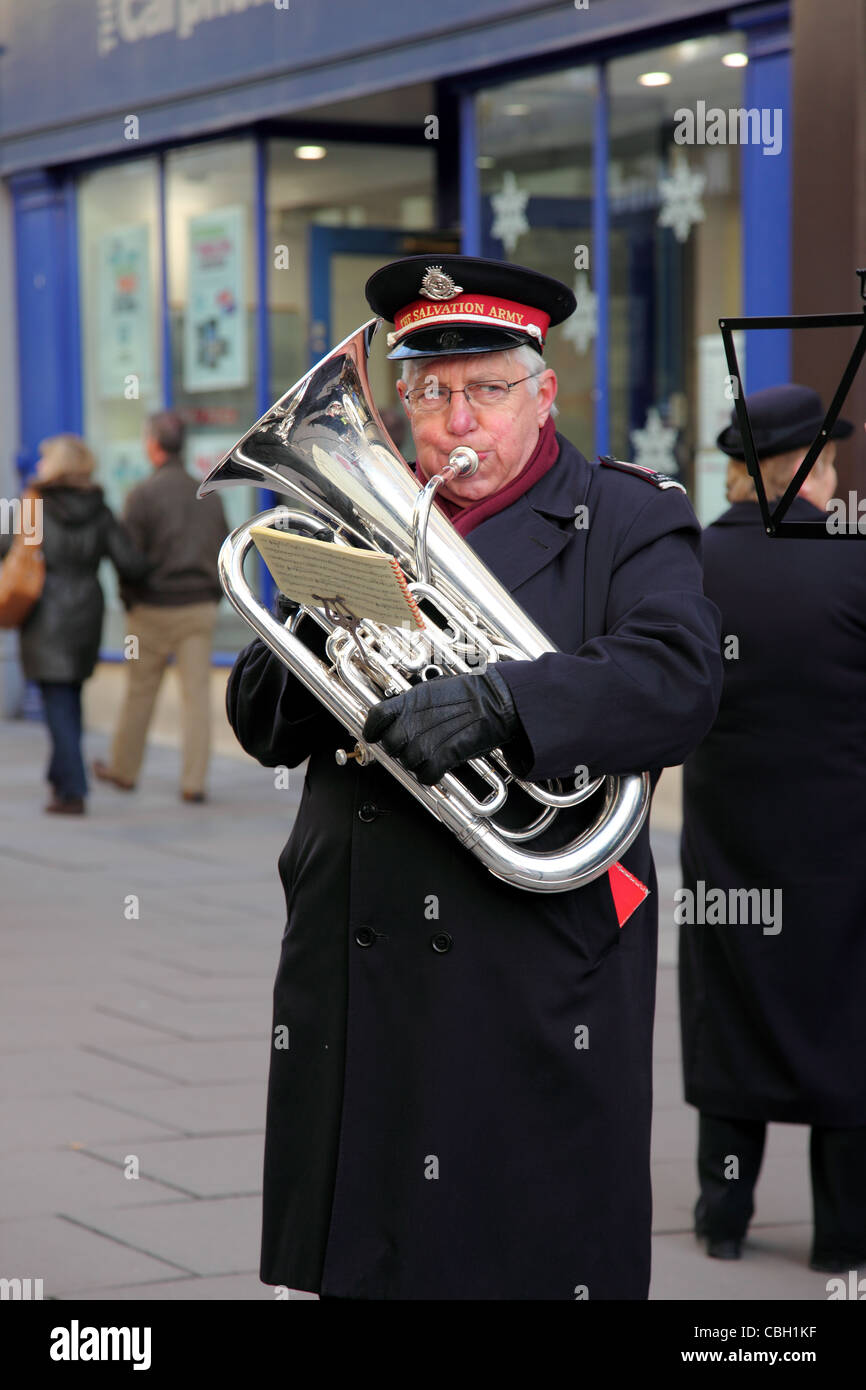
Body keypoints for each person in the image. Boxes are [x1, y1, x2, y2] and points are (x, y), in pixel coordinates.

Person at [225, 254, 723, 1300]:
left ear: (544, 393)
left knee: (518, 1245)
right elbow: (263, 728)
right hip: (355, 947)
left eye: (487, 388)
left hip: (523, 959)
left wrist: (507, 702)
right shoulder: (352, 516)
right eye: (429, 391)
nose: (456, 420)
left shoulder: (627, 518)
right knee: (363, 1249)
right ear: (401, 400)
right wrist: (321, 630)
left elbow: (676, 679)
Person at [679, 383, 866, 1272]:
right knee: (846, 1030)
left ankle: (722, 1217)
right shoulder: (855, 560)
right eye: (832, 464)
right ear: (804, 471)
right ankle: (843, 1238)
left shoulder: (693, 560)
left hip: (726, 847)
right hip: (844, 854)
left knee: (732, 1021)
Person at [0, 435, 150, 814]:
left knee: (58, 701)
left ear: (58, 465)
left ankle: (73, 790)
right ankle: (59, 778)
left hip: (45, 609)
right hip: (85, 609)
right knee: (68, 699)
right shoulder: (99, 508)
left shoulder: (33, 505)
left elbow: (8, 547)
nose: (37, 466)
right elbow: (130, 563)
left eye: (43, 459)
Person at [93, 410, 228, 803]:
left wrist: (130, 600)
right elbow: (223, 547)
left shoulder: (142, 494)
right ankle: (194, 782)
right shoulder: (207, 493)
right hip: (198, 606)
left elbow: (127, 558)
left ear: (152, 445)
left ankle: (123, 770)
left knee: (140, 692)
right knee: (197, 697)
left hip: (152, 607)